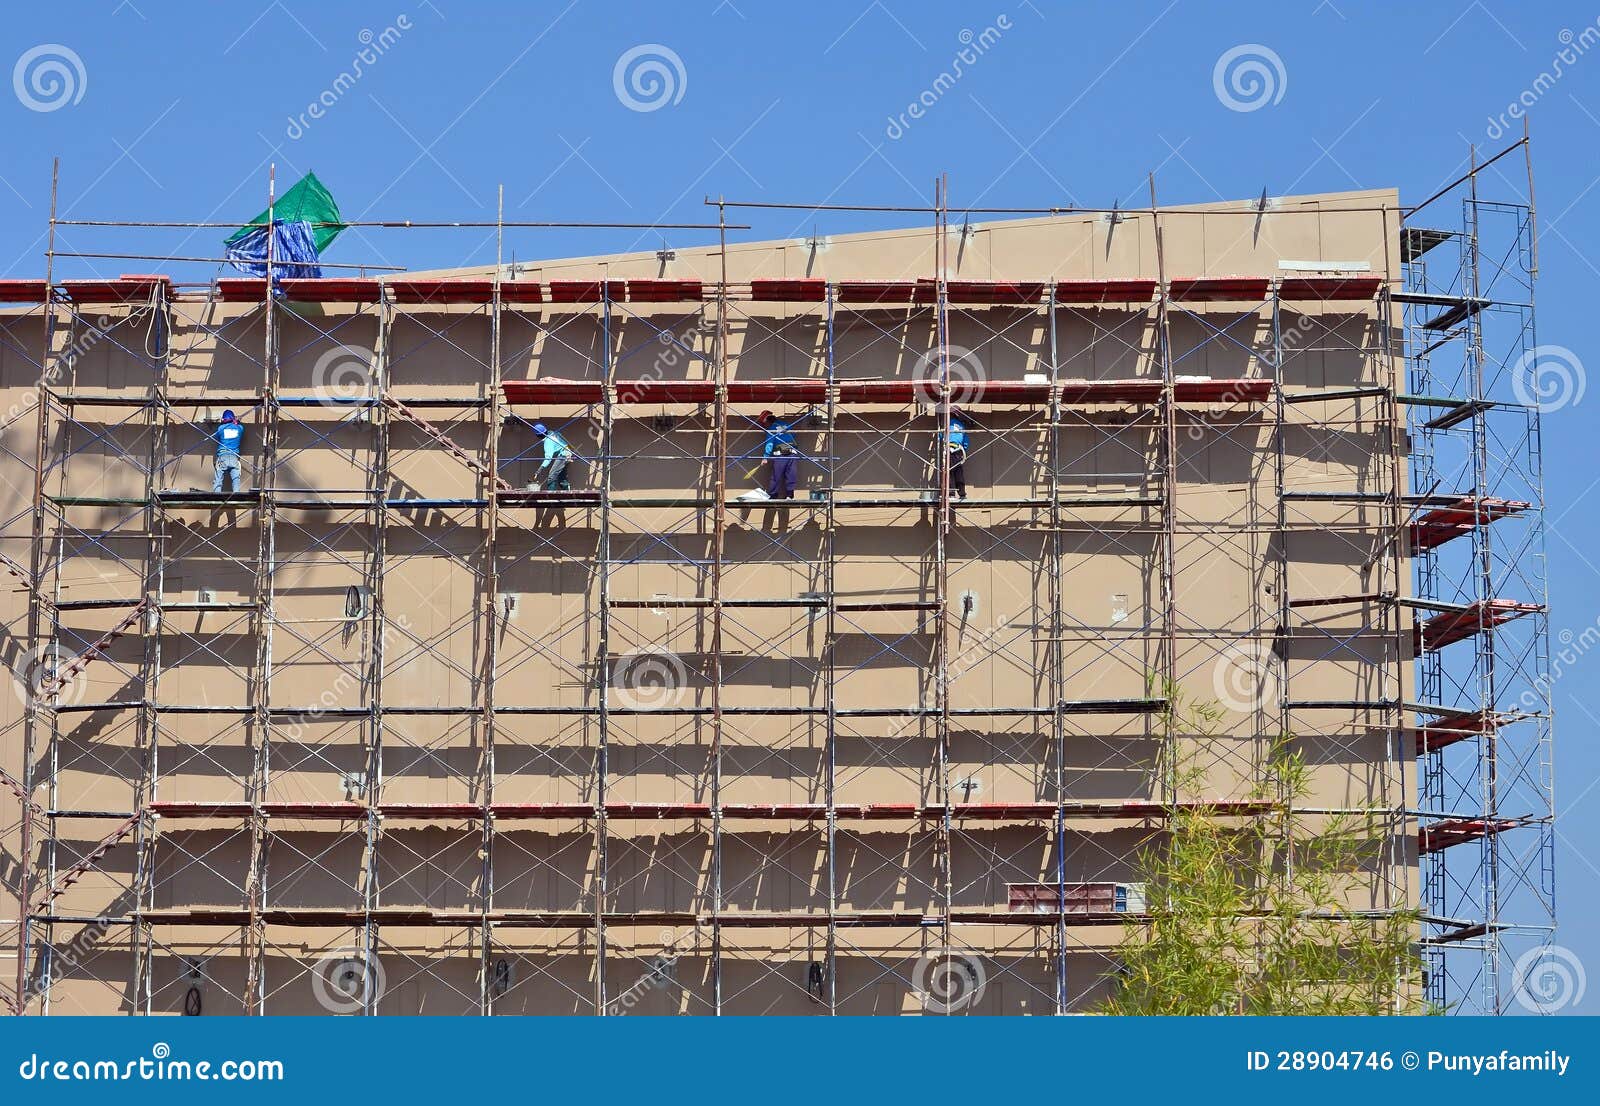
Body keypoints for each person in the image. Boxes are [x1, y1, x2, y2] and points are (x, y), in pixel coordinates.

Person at [759, 406, 815, 500]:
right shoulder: (786, 425)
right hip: (792, 452)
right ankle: (790, 495)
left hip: (780, 453)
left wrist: (765, 457)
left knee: (776, 475)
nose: (765, 426)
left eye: (764, 424)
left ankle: (773, 495)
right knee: (791, 474)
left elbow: (769, 443)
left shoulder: (772, 428)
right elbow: (792, 435)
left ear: (767, 421)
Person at [532, 422, 574, 491]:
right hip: (567, 452)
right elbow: (561, 438)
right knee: (561, 476)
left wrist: (539, 470)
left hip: (563, 455)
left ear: (538, 435)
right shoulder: (552, 433)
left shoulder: (548, 441)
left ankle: (551, 496)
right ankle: (567, 492)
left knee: (551, 476)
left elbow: (548, 458)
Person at [941, 408, 971, 500]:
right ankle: (962, 494)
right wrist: (963, 449)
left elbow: (941, 437)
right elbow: (966, 441)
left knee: (949, 472)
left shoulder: (947, 425)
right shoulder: (961, 426)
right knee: (959, 472)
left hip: (950, 450)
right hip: (958, 451)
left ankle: (951, 493)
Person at [212, 409, 244, 493]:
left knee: (218, 479)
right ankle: (237, 497)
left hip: (223, 456)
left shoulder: (221, 428)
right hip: (234, 457)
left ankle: (216, 498)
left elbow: (217, 437)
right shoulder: (240, 428)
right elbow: (240, 427)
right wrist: (237, 422)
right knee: (236, 479)